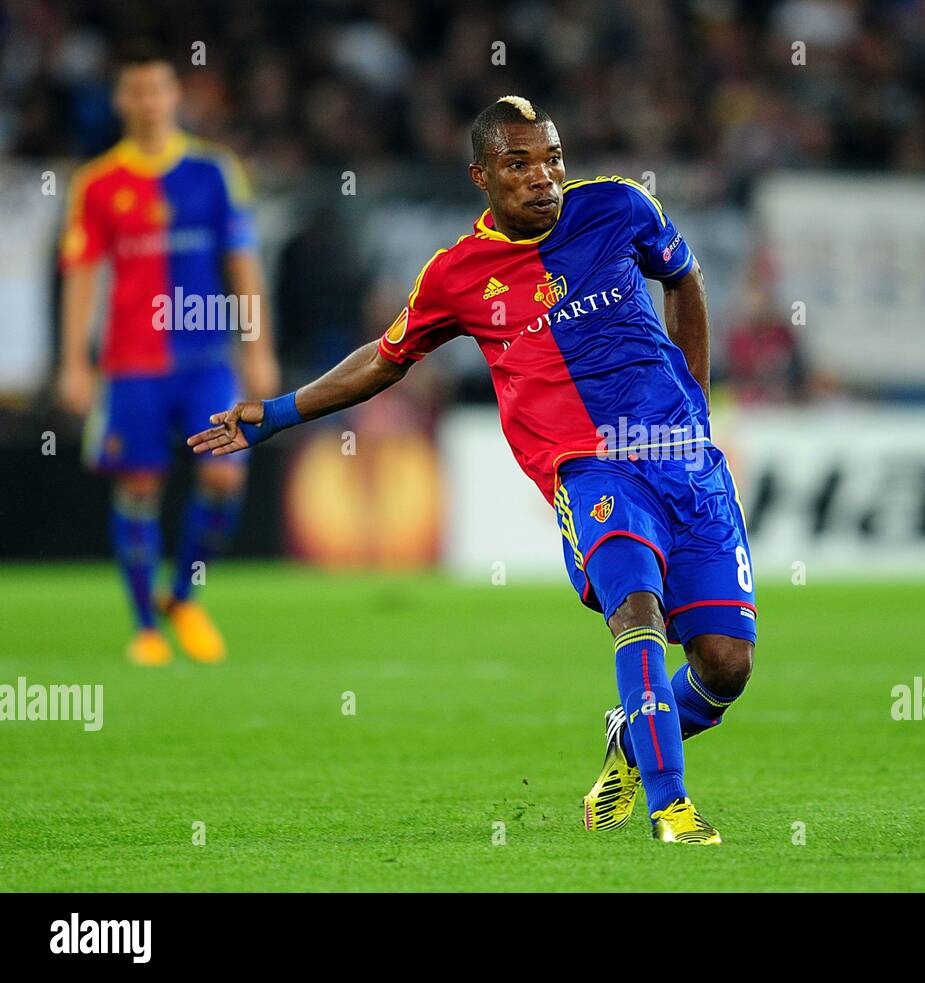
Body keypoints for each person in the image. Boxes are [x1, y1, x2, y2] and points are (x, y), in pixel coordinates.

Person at [189, 96, 755, 843]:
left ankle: (633, 736)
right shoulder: (458, 275)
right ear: (481, 175)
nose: (543, 176)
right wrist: (282, 410)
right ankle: (670, 806)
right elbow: (385, 358)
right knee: (637, 613)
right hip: (591, 472)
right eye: (519, 163)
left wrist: (697, 403)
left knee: (725, 666)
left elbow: (684, 278)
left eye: (551, 157)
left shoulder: (620, 206)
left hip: (687, 464)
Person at [58, 44, 279, 666]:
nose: (149, 102)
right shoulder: (97, 183)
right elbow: (80, 274)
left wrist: (258, 349)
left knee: (223, 472)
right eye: (136, 91)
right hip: (132, 363)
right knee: (138, 486)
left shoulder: (214, 171)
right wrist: (74, 360)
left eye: (159, 89)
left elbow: (243, 263)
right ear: (121, 100)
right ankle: (143, 628)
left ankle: (181, 596)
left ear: (174, 96)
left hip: (208, 358)